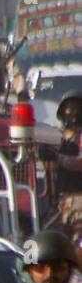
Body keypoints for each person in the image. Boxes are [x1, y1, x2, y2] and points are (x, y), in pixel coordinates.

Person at [50, 91, 82, 242]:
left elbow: (79, 163)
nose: (73, 113)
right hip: (63, 199)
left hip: (78, 199)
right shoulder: (61, 136)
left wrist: (59, 157)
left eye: (77, 108)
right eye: (70, 109)